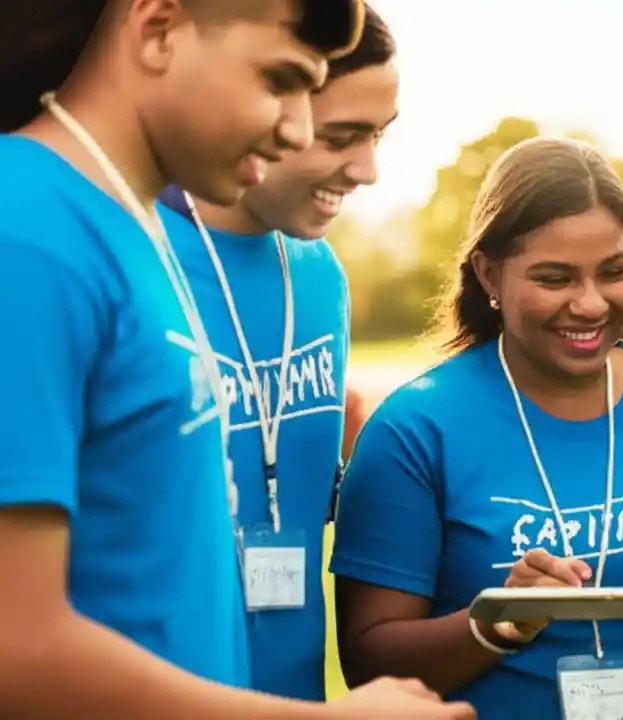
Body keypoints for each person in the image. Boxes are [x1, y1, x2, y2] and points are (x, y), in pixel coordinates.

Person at [0, 1, 470, 717]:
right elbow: (15, 647)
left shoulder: (123, 225)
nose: (298, 128)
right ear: (158, 31)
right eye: (280, 80)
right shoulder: (27, 232)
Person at [330, 136, 623, 719]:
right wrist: (497, 622)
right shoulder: (414, 430)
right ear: (488, 274)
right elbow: (368, 661)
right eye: (555, 278)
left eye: (614, 272)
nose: (590, 304)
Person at [156, 3, 399, 702]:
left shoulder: (321, 273)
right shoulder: (132, 253)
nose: (368, 169)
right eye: (341, 137)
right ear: (270, 109)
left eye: (380, 135)